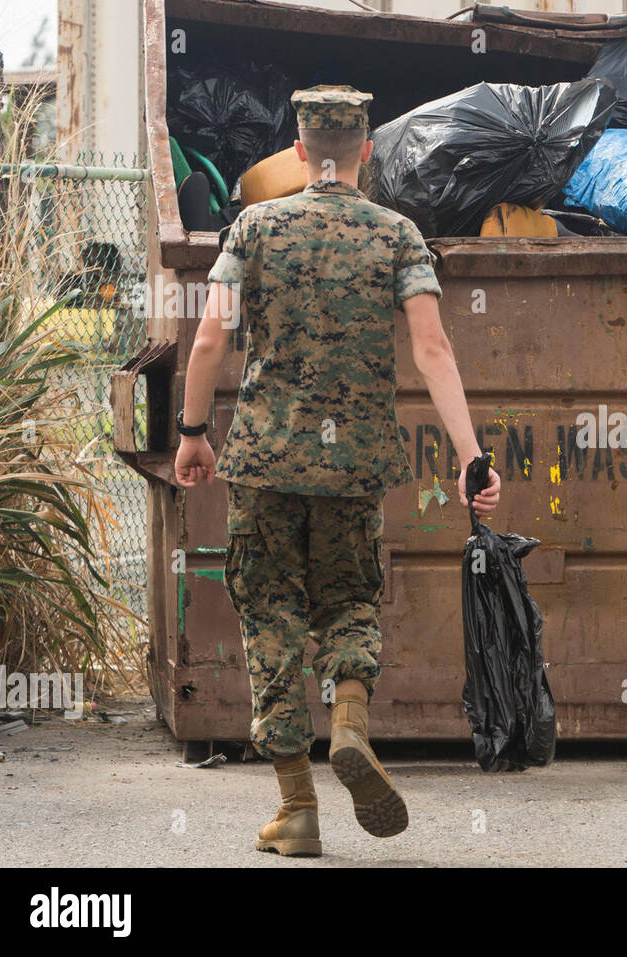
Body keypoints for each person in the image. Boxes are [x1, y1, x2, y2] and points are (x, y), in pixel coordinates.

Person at [174, 84, 500, 857]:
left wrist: (192, 433)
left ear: (296, 152)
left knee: (272, 618)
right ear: (367, 151)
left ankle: (297, 808)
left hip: (265, 461)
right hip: (354, 467)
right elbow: (433, 351)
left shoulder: (253, 226)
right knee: (351, 600)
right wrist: (470, 456)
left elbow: (211, 342)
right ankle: (350, 720)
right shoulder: (397, 235)